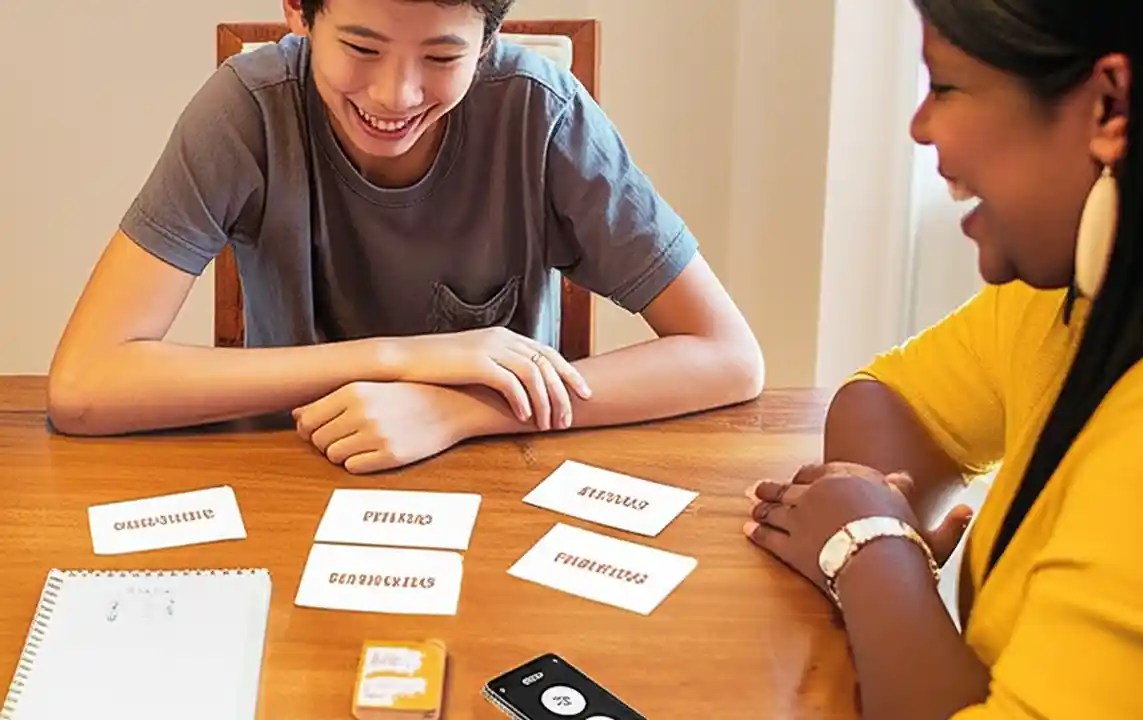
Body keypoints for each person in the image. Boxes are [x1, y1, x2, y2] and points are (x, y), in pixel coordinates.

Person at [744, 3, 1143, 718]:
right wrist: (877, 521)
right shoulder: (1081, 294)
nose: (920, 128)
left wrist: (872, 551)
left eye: (946, 89)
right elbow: (889, 399)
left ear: (1110, 108)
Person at [46, 0, 764, 473]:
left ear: (490, 40)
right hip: (291, 472)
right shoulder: (246, 108)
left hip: (498, 480)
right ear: (298, 12)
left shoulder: (540, 112)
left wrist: (456, 409)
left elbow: (729, 356)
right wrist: (405, 358)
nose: (397, 95)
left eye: (442, 58)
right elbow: (85, 386)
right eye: (360, 47)